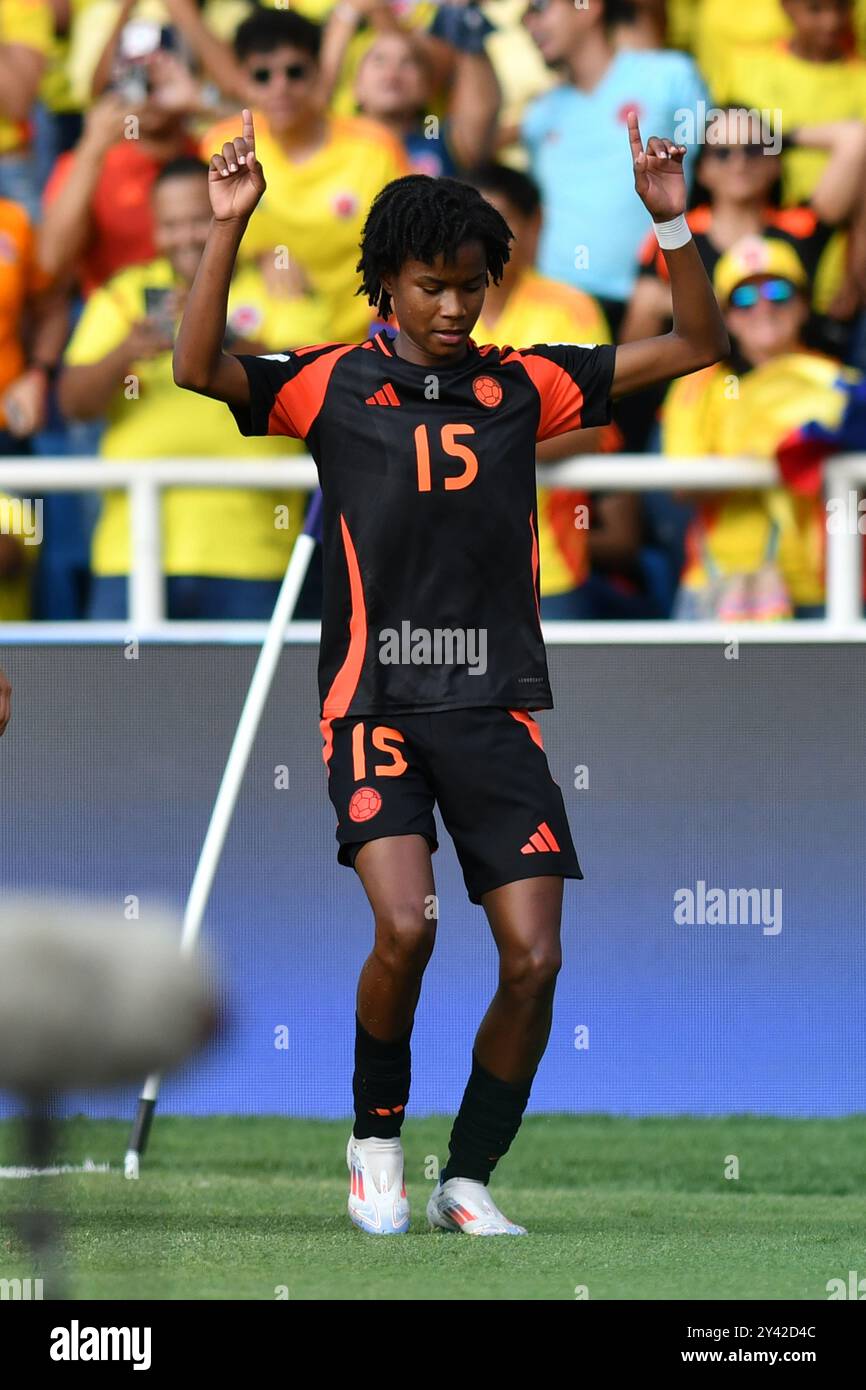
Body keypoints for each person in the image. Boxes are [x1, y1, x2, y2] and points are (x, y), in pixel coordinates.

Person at [173, 106, 727, 1234]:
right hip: (374, 705)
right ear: (385, 283)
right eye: (431, 285)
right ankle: (374, 1136)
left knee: (533, 960)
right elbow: (191, 366)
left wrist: (670, 226)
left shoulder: (521, 384)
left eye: (471, 285)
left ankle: (464, 1178)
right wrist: (229, 228)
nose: (454, 307)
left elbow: (694, 347)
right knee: (407, 929)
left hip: (492, 710)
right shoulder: (327, 384)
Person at [58, 155, 330, 620]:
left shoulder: (280, 285)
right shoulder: (123, 294)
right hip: (134, 551)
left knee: (258, 695)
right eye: (170, 224)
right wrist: (128, 349)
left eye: (196, 221)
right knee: (126, 696)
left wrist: (207, 331)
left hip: (255, 553)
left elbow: (308, 386)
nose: (184, 236)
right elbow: (72, 404)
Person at [661, 235, 861, 620]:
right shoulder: (696, 385)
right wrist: (771, 453)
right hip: (723, 586)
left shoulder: (837, 380)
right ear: (726, 317)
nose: (763, 308)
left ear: (803, 304)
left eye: (778, 291)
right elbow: (682, 482)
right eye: (745, 300)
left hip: (825, 586)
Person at [199, 8, 410, 343]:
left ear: (319, 73)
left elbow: (409, 247)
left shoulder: (376, 147)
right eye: (262, 76)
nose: (280, 87)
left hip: (367, 338)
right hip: (263, 339)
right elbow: (194, 243)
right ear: (242, 81)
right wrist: (259, 252)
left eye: (295, 72)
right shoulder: (221, 144)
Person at [520, 0, 708, 334]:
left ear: (589, 7)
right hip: (560, 310)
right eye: (525, 14)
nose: (528, 21)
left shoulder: (670, 76)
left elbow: (715, 173)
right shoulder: (538, 114)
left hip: (652, 299)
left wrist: (660, 289)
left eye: (540, 7)